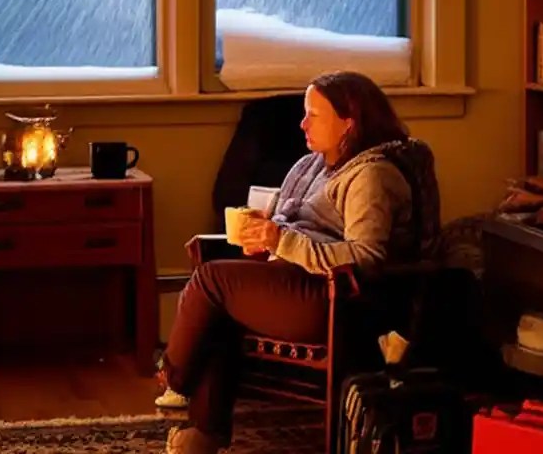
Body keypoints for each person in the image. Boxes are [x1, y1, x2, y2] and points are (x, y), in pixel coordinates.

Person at [158, 70, 440, 454]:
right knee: (219, 309)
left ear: (348, 123)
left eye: (314, 115)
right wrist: (263, 239)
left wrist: (282, 241)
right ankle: (204, 435)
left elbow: (366, 257)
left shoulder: (372, 176)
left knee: (211, 282)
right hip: (291, 279)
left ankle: (174, 378)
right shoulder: (309, 166)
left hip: (336, 300)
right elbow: (286, 227)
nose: (302, 123)